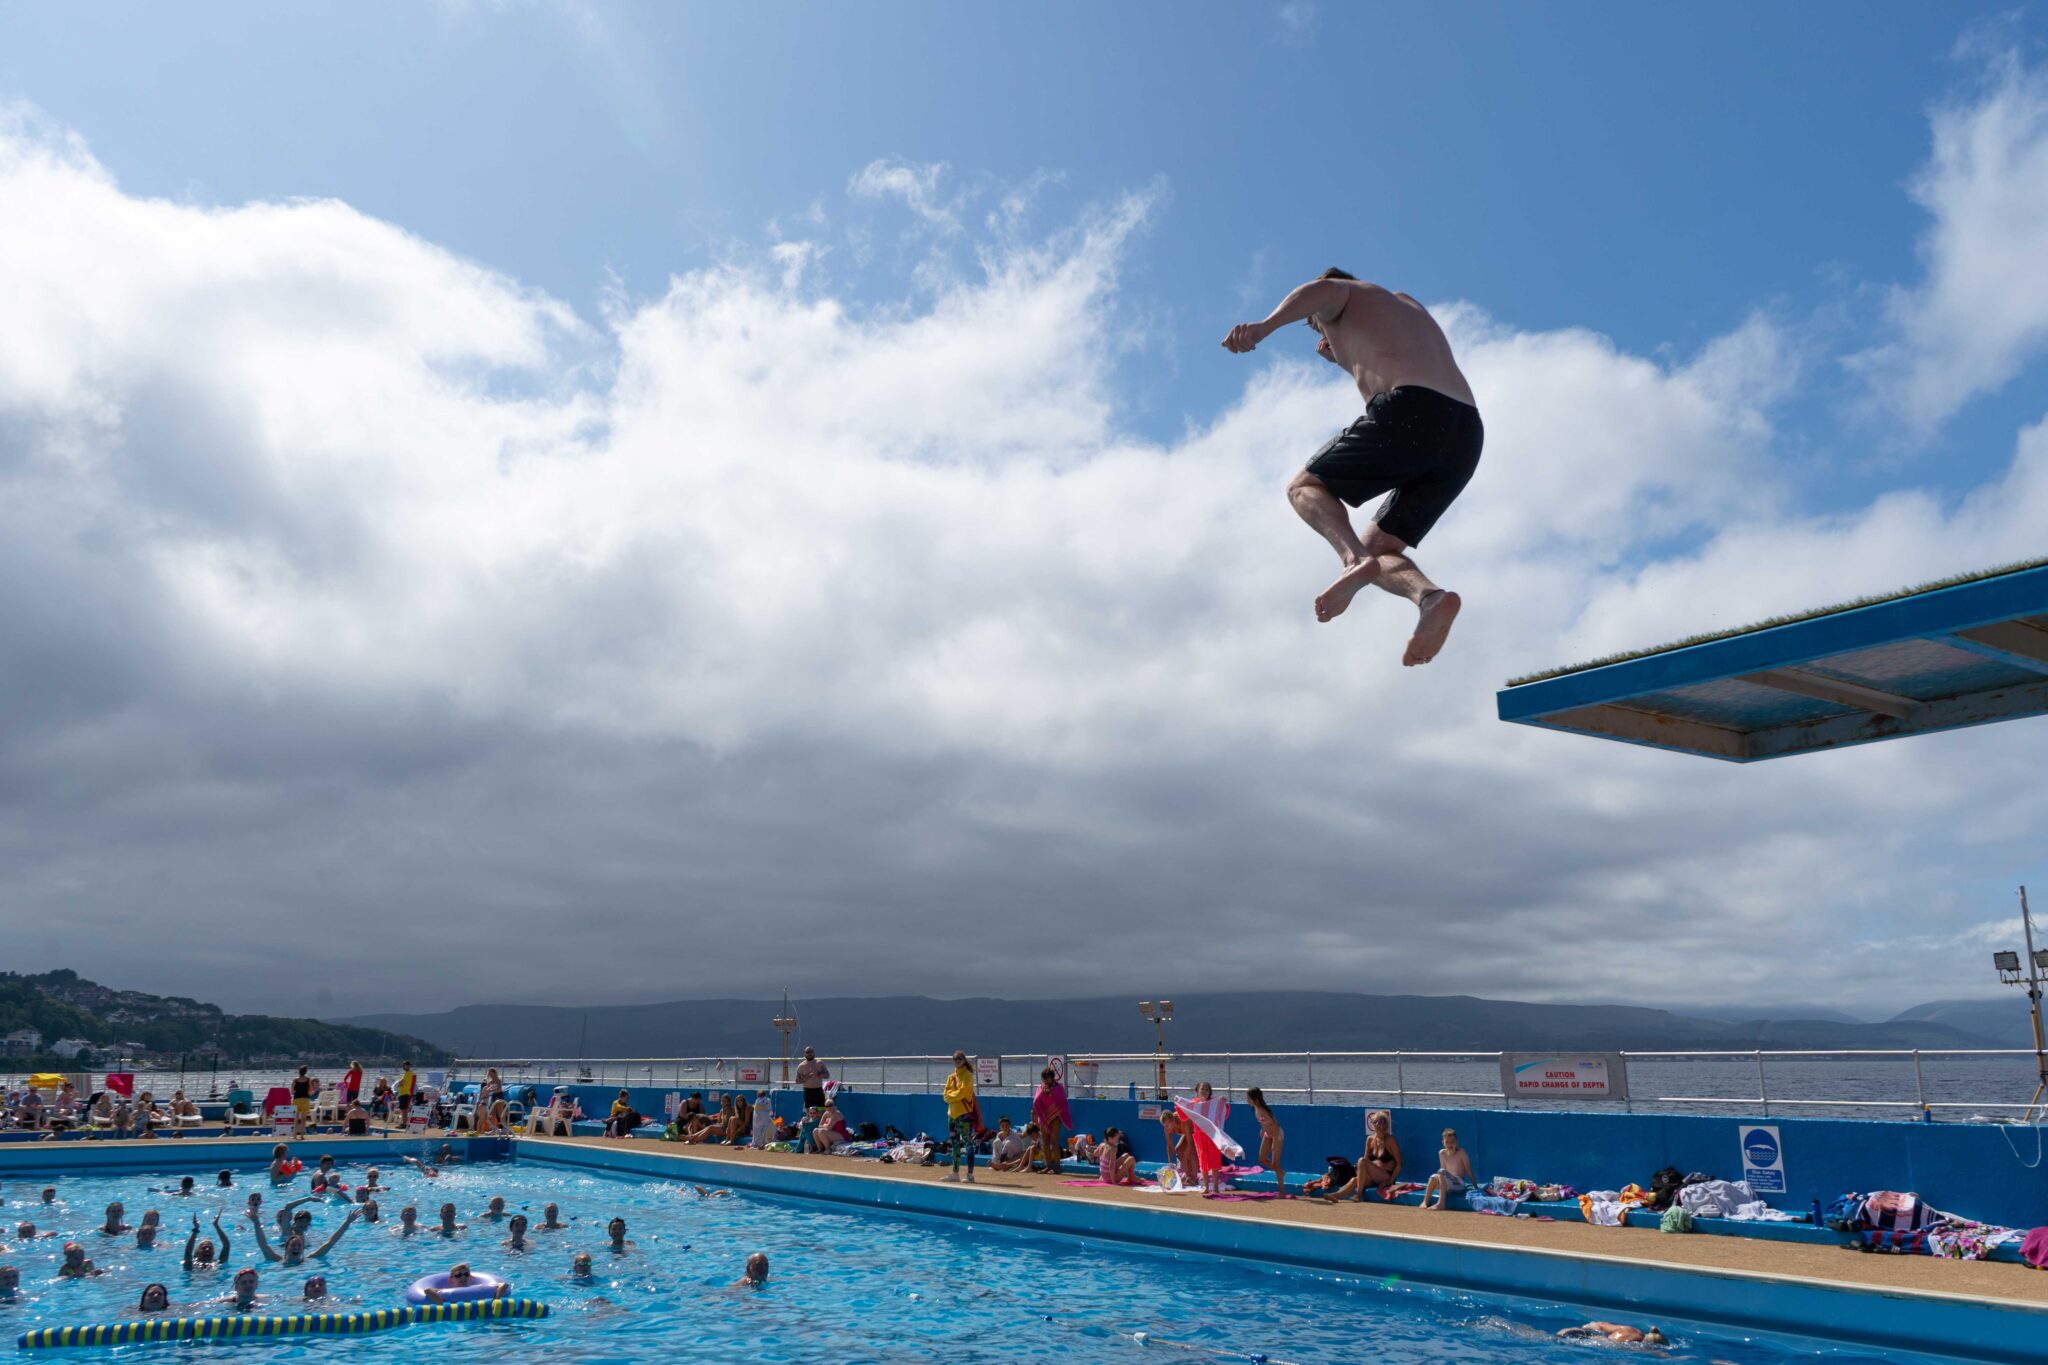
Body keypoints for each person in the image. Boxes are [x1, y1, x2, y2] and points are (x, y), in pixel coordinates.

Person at [1222, 269, 1481, 662]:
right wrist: (1340, 352)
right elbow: (1387, 354)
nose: (1319, 331)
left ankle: (1353, 561)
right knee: (1381, 547)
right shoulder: (1406, 304)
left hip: (1414, 411)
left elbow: (1322, 290)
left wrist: (1265, 327)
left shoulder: (1340, 293)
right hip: (1465, 434)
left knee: (1303, 488)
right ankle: (1431, 599)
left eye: (1315, 325)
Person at [248, 1207, 359, 1264]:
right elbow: (263, 1245)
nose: (296, 1247)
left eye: (299, 1245)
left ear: (303, 1248)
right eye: (293, 1245)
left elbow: (331, 1242)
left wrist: (347, 1222)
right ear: (286, 1248)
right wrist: (257, 1224)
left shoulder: (309, 1259)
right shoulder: (277, 1259)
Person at [940, 1051, 978, 1184]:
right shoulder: (951, 1077)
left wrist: (952, 1095)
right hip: (952, 1116)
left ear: (964, 1060)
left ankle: (970, 1174)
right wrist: (952, 1095)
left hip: (965, 1115)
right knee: (955, 1145)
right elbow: (945, 1095)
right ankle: (955, 1173)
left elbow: (962, 1093)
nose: (957, 1061)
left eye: (960, 1059)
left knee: (968, 1144)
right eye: (955, 1059)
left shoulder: (968, 1076)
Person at [1031, 1066, 1072, 1177]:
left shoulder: (1059, 1088)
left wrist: (1051, 1093)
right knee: (1045, 1142)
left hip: (1056, 1117)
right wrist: (1044, 1093)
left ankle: (1057, 1167)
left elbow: (1063, 1103)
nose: (1045, 1081)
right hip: (1044, 1117)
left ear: (1052, 1078)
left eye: (1047, 1078)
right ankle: (1048, 1166)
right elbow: (1036, 1101)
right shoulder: (1040, 1088)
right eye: (1044, 1079)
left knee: (1054, 1141)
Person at [1421, 1128, 1475, 1211]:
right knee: (1433, 1177)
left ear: (1457, 1142)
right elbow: (1442, 1172)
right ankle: (1425, 1201)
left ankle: (1441, 1203)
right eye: (1447, 1142)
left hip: (1459, 1184)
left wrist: (1476, 1187)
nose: (1450, 1144)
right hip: (1447, 1184)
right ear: (1443, 1143)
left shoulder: (1461, 1153)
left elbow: (1469, 1170)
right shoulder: (1442, 1153)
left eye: (1452, 1141)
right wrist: (1436, 1181)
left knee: (1441, 1171)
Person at [1246, 1087, 1286, 1197]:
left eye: (1249, 1099)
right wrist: (1263, 1129)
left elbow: (1275, 1125)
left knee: (1275, 1163)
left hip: (1277, 1135)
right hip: (1268, 1134)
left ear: (1256, 1100)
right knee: (1262, 1159)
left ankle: (1282, 1191)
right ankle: (1280, 1172)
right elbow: (1264, 1122)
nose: (1247, 1101)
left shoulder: (1262, 1110)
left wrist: (1274, 1142)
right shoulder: (1256, 1109)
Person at [1558, 1323, 1668, 1346]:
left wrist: (1587, 1327)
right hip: (1587, 1339)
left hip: (1583, 1333)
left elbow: (1600, 1325)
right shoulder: (1635, 1348)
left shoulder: (1631, 1330)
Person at [795, 1048, 831, 1112]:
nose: (809, 1054)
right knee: (809, 1113)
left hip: (818, 1090)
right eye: (807, 1052)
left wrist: (818, 1075)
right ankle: (810, 1121)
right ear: (805, 1054)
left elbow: (827, 1075)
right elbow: (797, 1081)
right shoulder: (801, 1066)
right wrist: (807, 1077)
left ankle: (820, 1121)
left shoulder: (819, 1063)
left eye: (810, 1052)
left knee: (821, 1111)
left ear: (814, 1053)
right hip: (808, 1091)